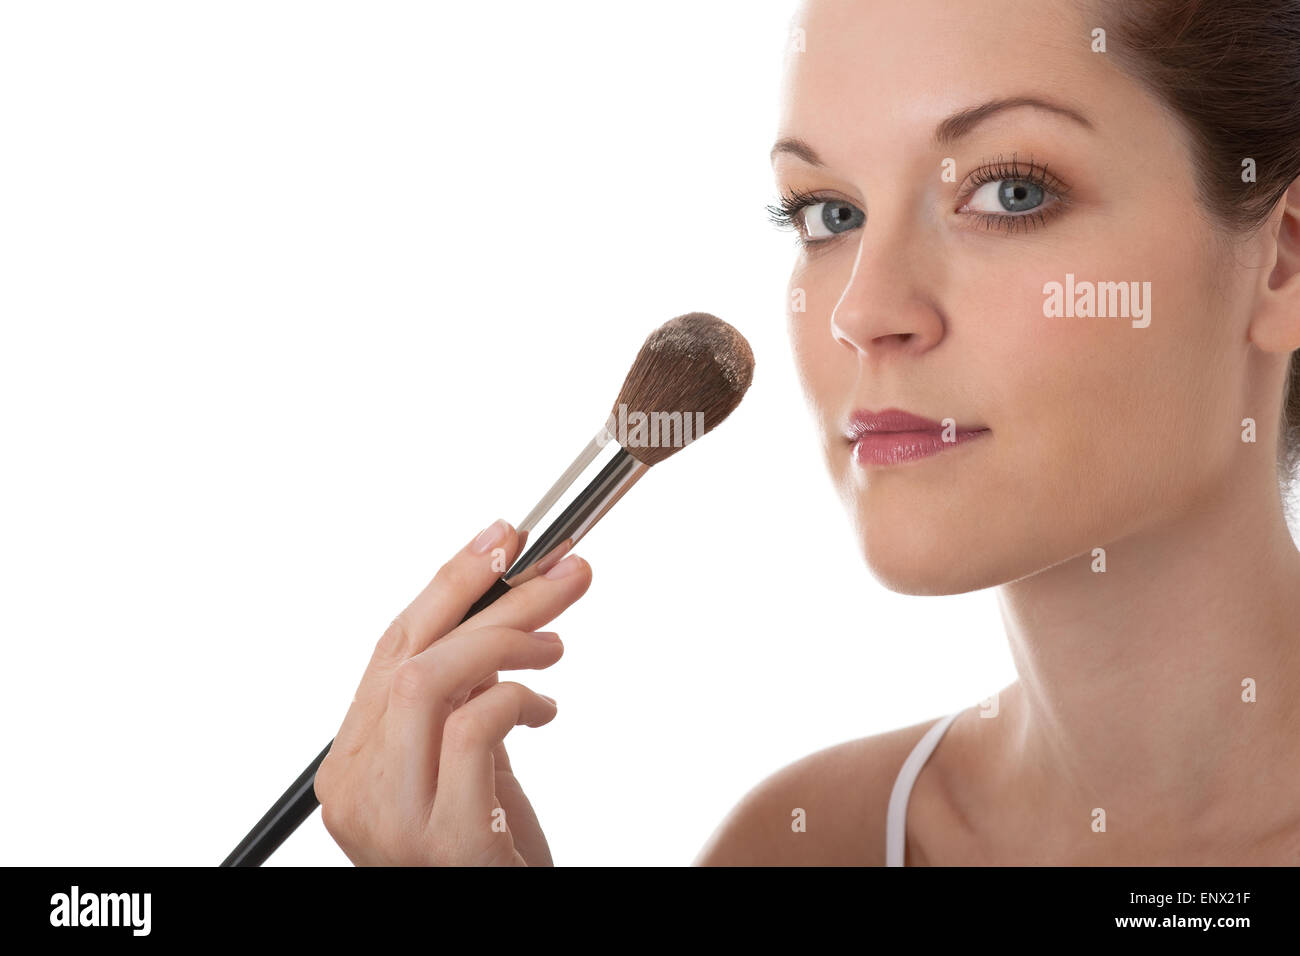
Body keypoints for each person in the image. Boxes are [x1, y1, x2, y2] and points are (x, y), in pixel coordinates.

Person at [313, 0, 1300, 865]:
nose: (862, 309)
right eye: (828, 212)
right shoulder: (800, 840)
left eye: (1010, 192)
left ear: (1281, 260)